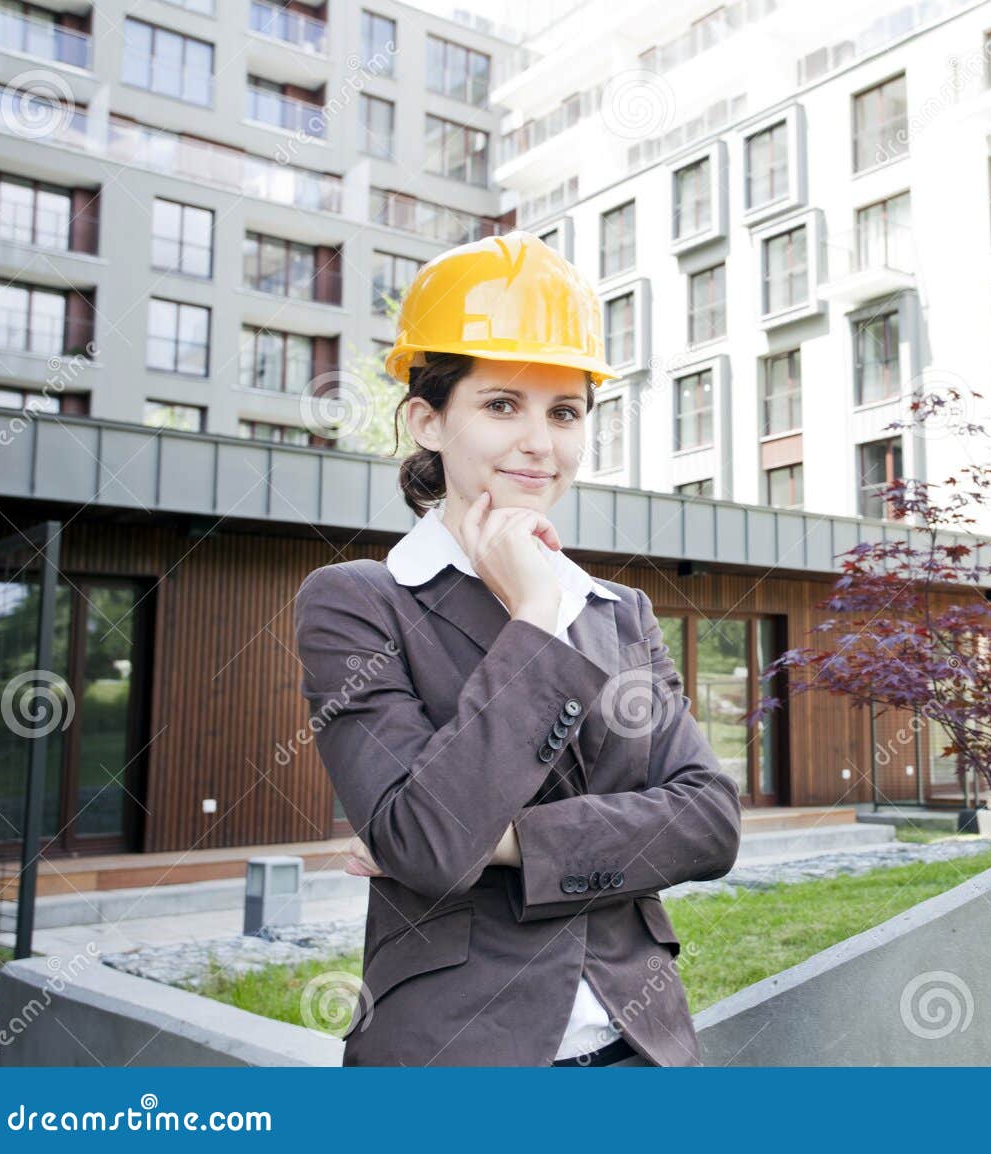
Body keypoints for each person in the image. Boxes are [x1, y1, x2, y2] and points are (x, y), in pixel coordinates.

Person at [293, 230, 742, 1066]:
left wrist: (504, 841)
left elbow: (709, 823)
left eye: (564, 411)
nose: (541, 441)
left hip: (639, 1050)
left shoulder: (619, 611)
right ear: (428, 420)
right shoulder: (359, 604)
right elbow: (427, 846)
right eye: (503, 404)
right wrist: (534, 615)